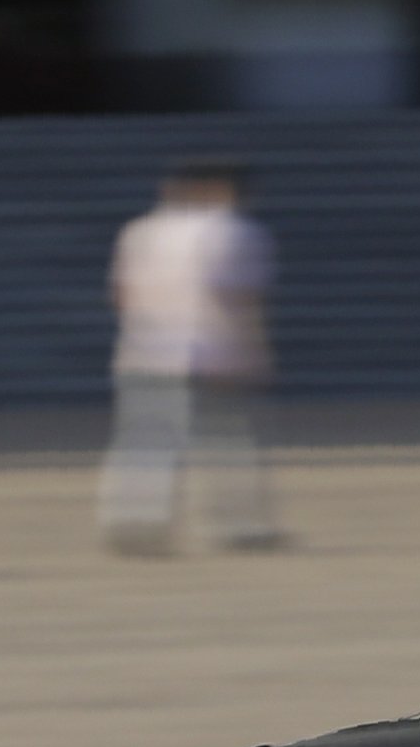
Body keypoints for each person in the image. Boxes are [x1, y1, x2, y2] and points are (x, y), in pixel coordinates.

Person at [97, 161, 282, 555]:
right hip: (213, 348)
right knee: (229, 440)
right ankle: (239, 523)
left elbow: (122, 293)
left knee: (145, 440)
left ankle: (135, 520)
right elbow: (236, 296)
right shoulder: (236, 231)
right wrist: (252, 348)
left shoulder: (141, 231)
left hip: (147, 349)